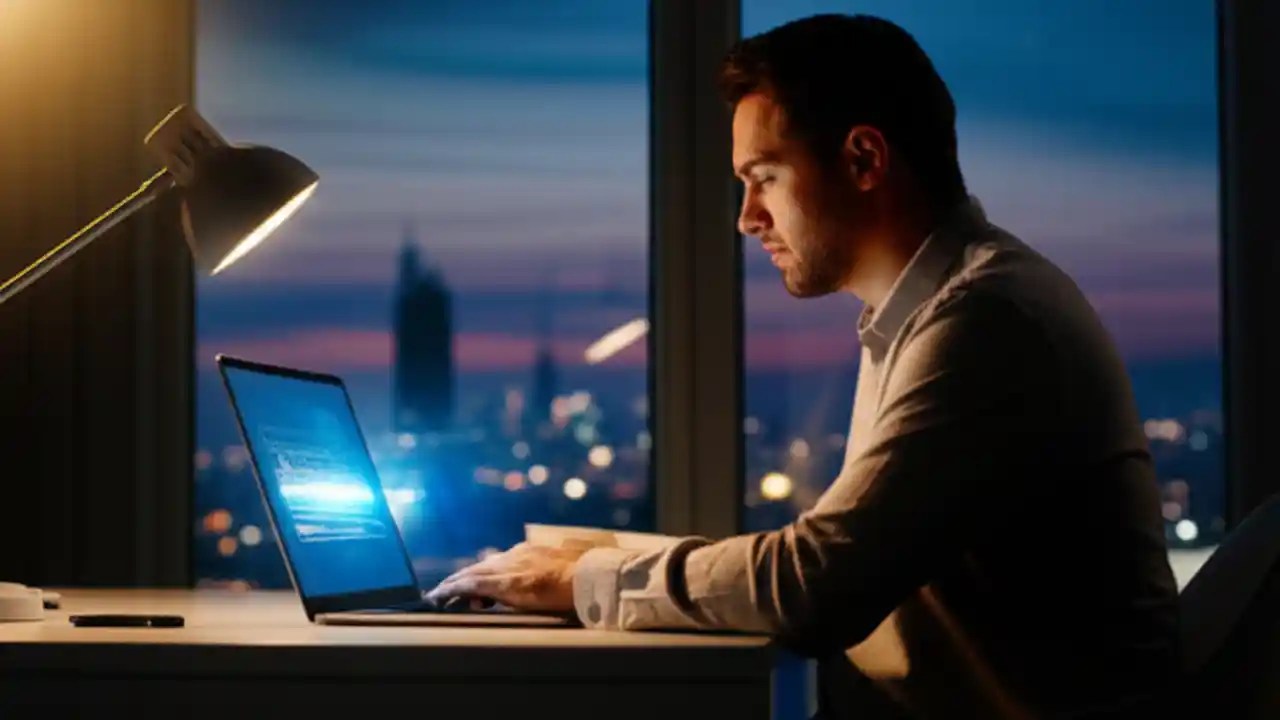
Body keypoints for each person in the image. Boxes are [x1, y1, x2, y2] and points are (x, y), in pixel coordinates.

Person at [428, 14, 1180, 719]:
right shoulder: (933, 313)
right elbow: (842, 553)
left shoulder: (987, 321)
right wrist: (593, 560)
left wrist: (587, 579)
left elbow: (819, 584)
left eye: (765, 177)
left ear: (863, 159)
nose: (747, 217)